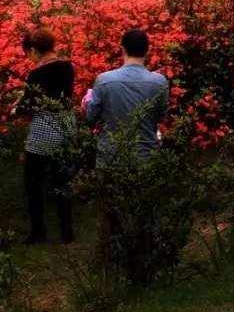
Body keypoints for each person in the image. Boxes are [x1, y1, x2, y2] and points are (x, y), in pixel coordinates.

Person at [14, 28, 76, 244]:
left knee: (33, 182)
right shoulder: (68, 66)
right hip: (67, 126)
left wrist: (15, 108)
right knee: (62, 180)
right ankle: (67, 231)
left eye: (28, 53)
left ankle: (38, 232)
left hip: (44, 129)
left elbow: (27, 106)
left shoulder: (37, 74)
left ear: (33, 50)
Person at [84, 29, 169, 164]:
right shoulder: (160, 82)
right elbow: (161, 116)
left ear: (122, 49)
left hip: (110, 156)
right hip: (146, 156)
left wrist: (87, 102)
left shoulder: (104, 80)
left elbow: (91, 117)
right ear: (147, 50)